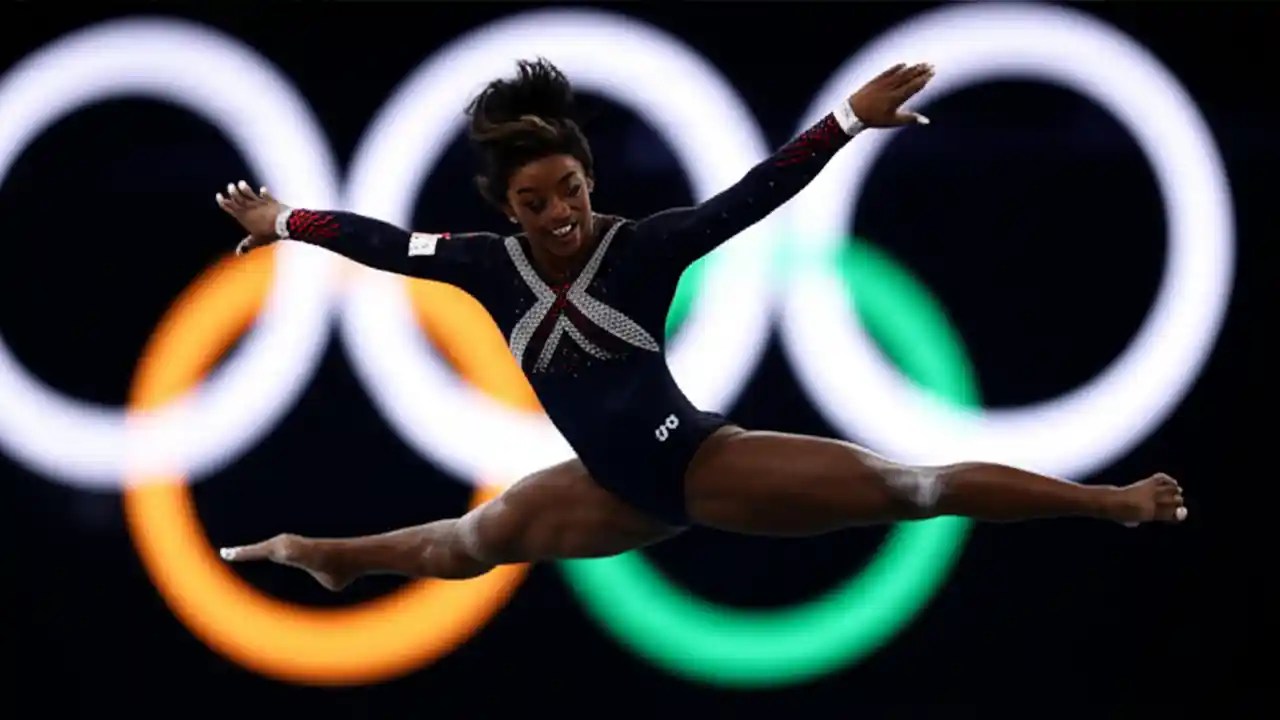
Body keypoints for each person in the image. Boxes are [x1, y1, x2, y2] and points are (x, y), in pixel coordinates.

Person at [214, 59, 1186, 592]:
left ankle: (1106, 502)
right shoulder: (480, 263)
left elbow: (753, 194)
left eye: (569, 189)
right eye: (535, 200)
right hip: (608, 487)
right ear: (507, 207)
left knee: (911, 484)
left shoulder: (641, 248)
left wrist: (843, 122)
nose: (558, 212)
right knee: (464, 546)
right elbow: (381, 243)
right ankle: (327, 556)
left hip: (697, 460)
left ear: (588, 180)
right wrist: (281, 222)